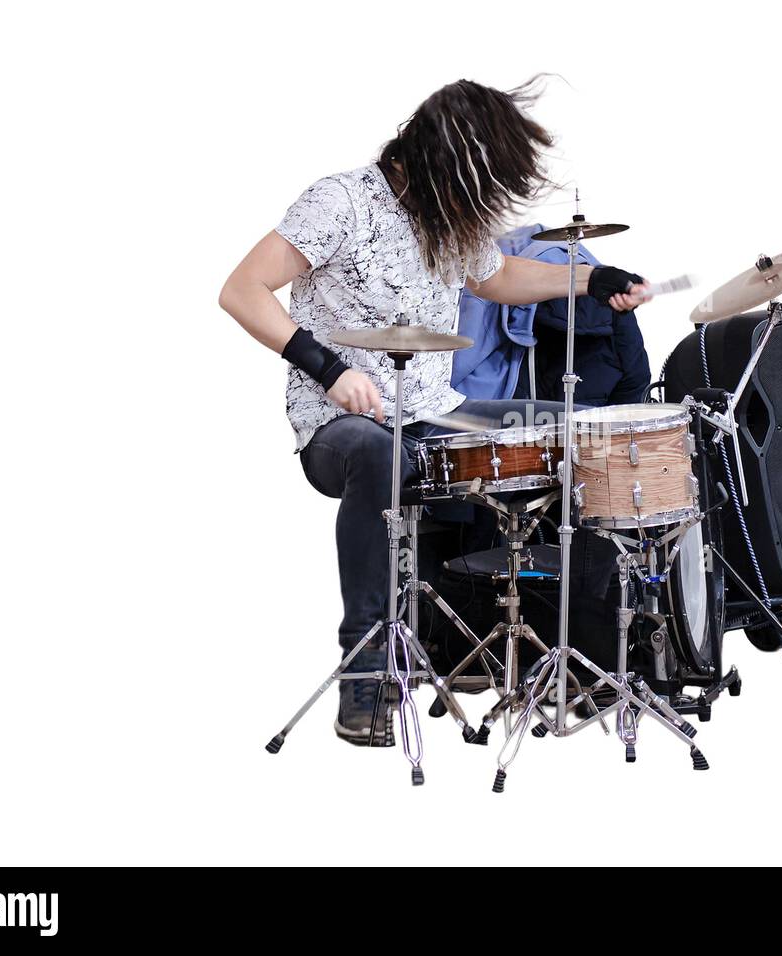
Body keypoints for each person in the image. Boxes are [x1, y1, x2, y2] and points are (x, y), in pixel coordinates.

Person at [218, 78, 651, 744]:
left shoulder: (450, 217)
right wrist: (330, 372)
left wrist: (592, 279)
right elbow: (242, 290)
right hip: (339, 426)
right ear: (434, 159)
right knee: (379, 453)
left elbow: (496, 276)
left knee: (575, 429)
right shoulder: (339, 203)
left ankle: (587, 649)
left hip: (436, 411)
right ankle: (364, 677)